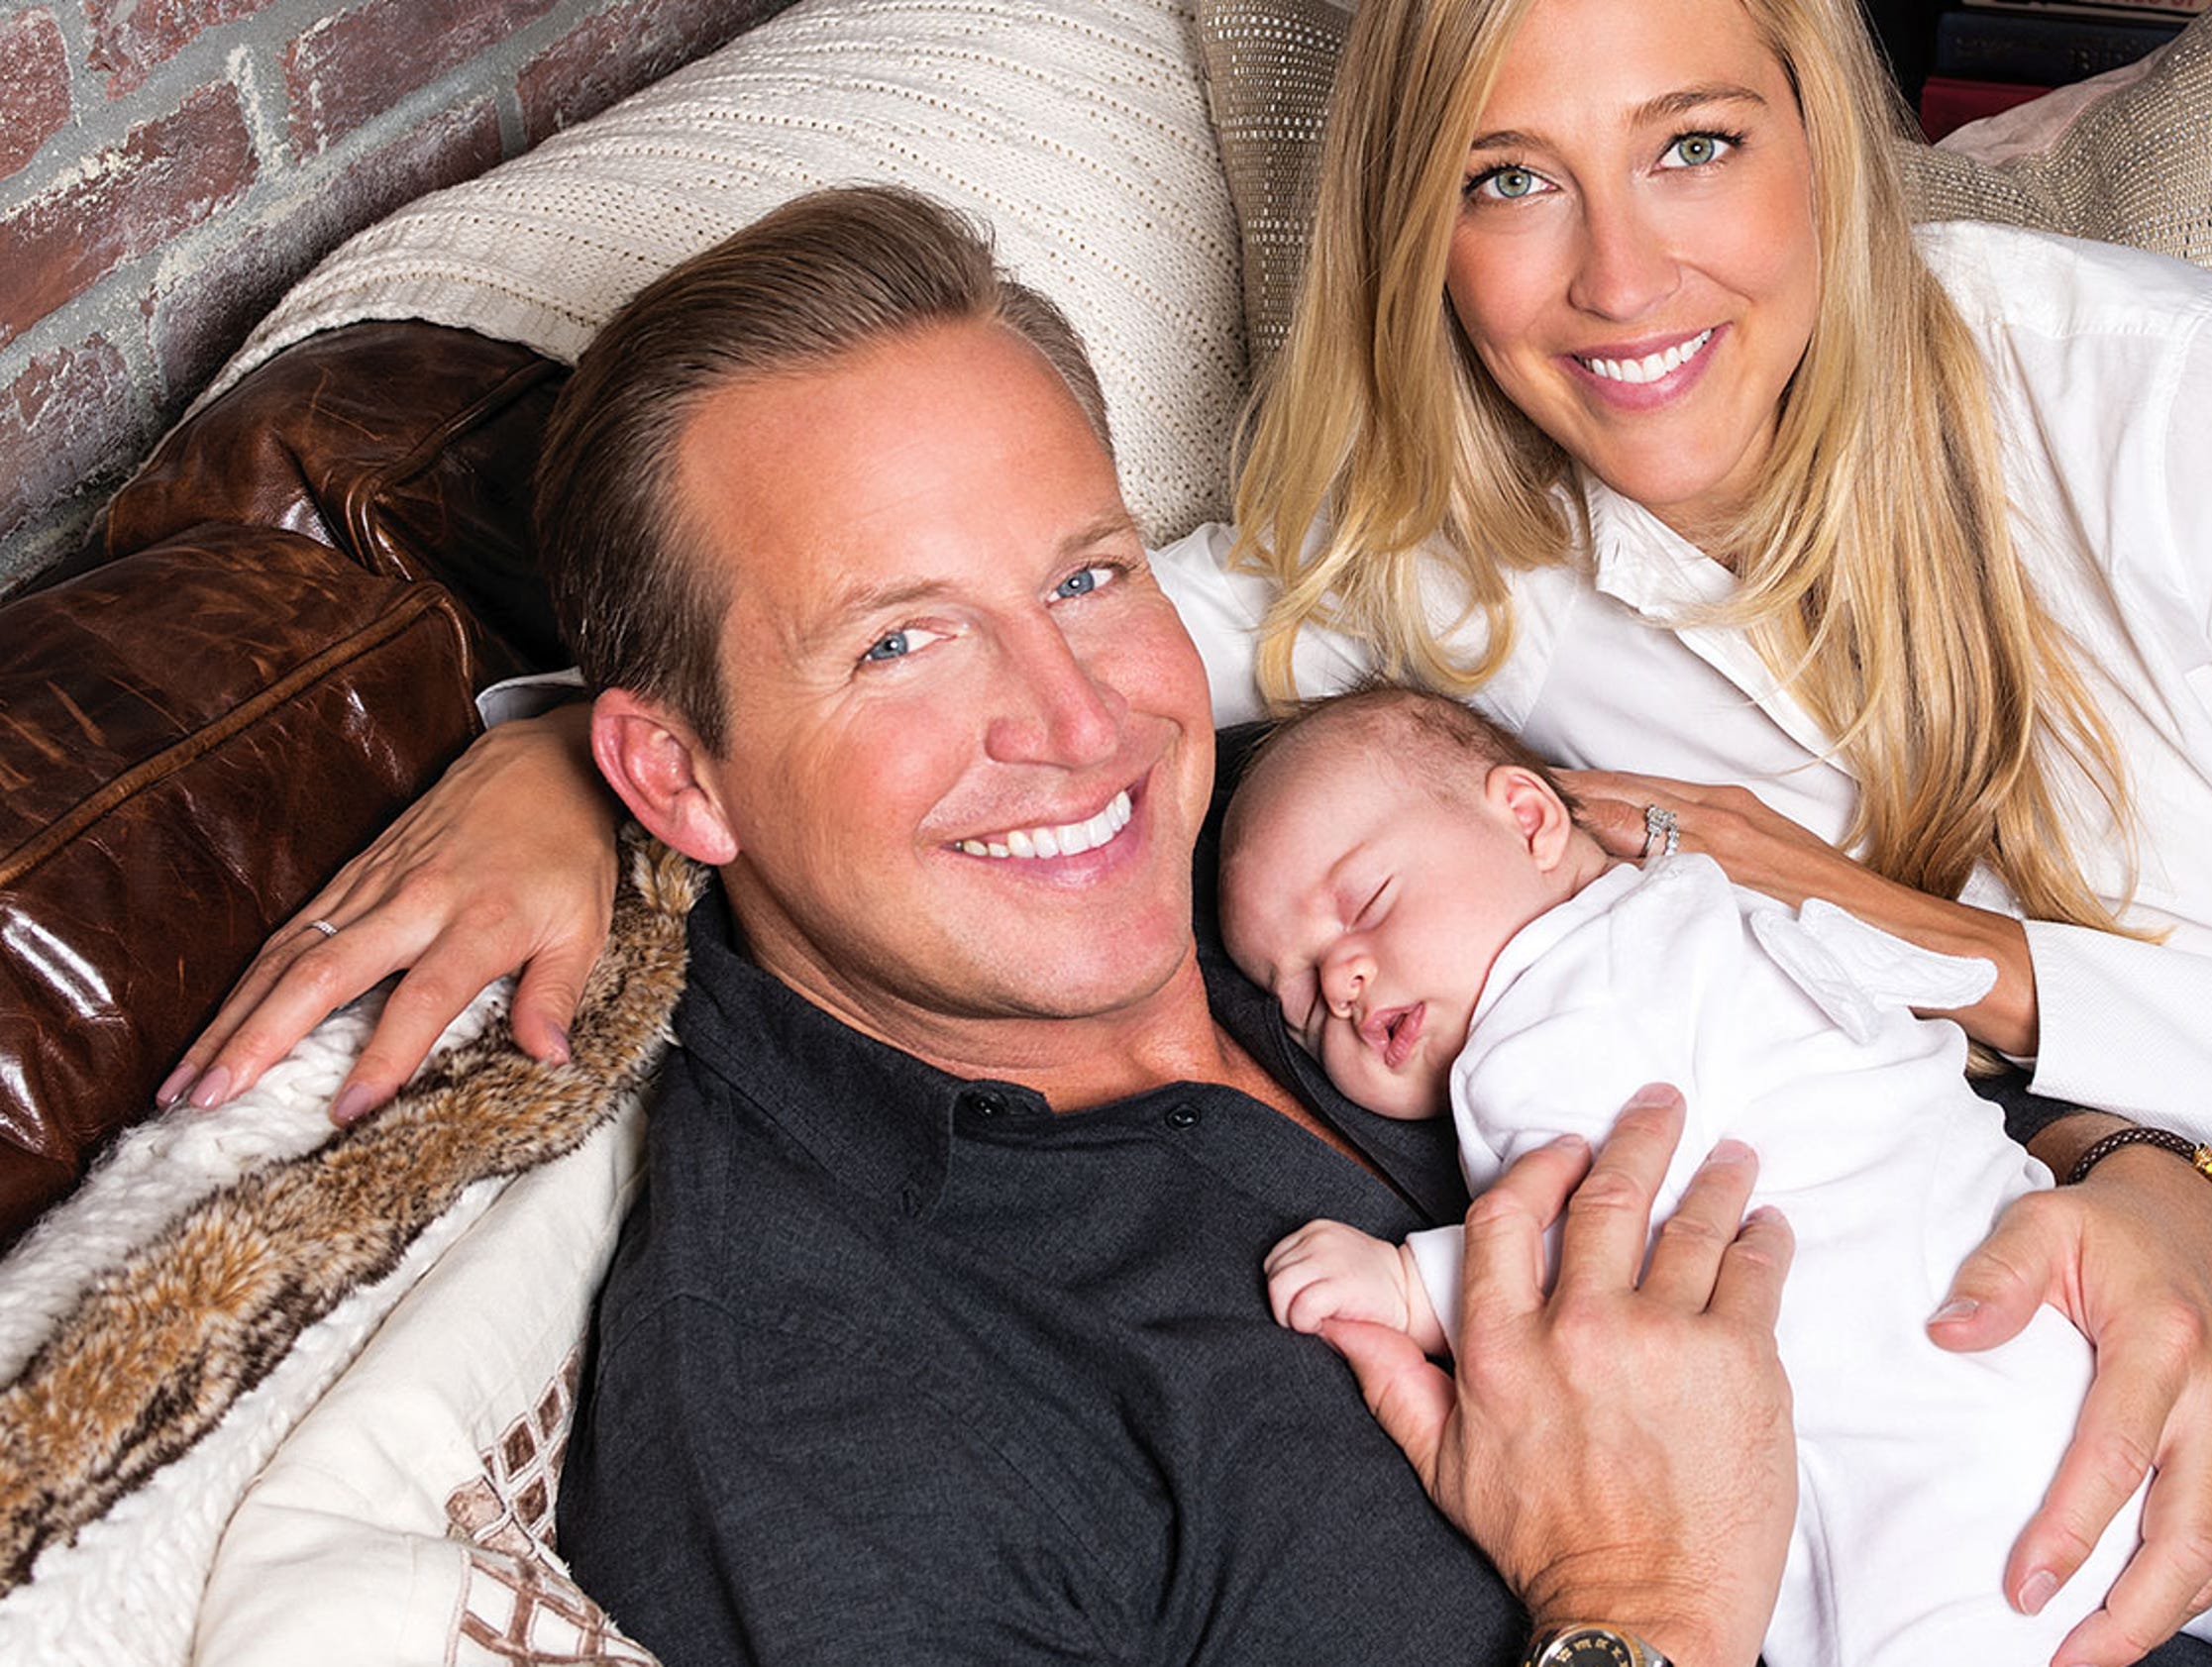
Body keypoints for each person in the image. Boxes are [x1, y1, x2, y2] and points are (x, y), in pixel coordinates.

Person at [164, 0, 2212, 1660]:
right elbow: (1013, 660)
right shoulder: (1402, 658)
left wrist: (2070, 1082)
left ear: (1833, 147)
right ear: (1423, 232)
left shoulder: (2148, 413)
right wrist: (562, 754)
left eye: (1696, 145)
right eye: (1512, 178)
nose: (1618, 288)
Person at [517, 185, 1805, 1666]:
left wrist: (2124, 1170)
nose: (1078, 720)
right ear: (674, 773)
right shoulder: (817, 1406)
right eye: (899, 641)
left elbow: (1772, 974)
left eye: (1086, 575)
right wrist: (1643, 1608)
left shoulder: (1291, 839)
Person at [1221, 686, 2212, 1667]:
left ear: (1528, 818)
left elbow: (1583, 1250)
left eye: (1366, 906)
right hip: (2026, 1297)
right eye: (1299, 992)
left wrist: (1408, 1283)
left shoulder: (1553, 1014)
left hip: (1914, 1406)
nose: (1347, 983)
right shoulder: (1697, 910)